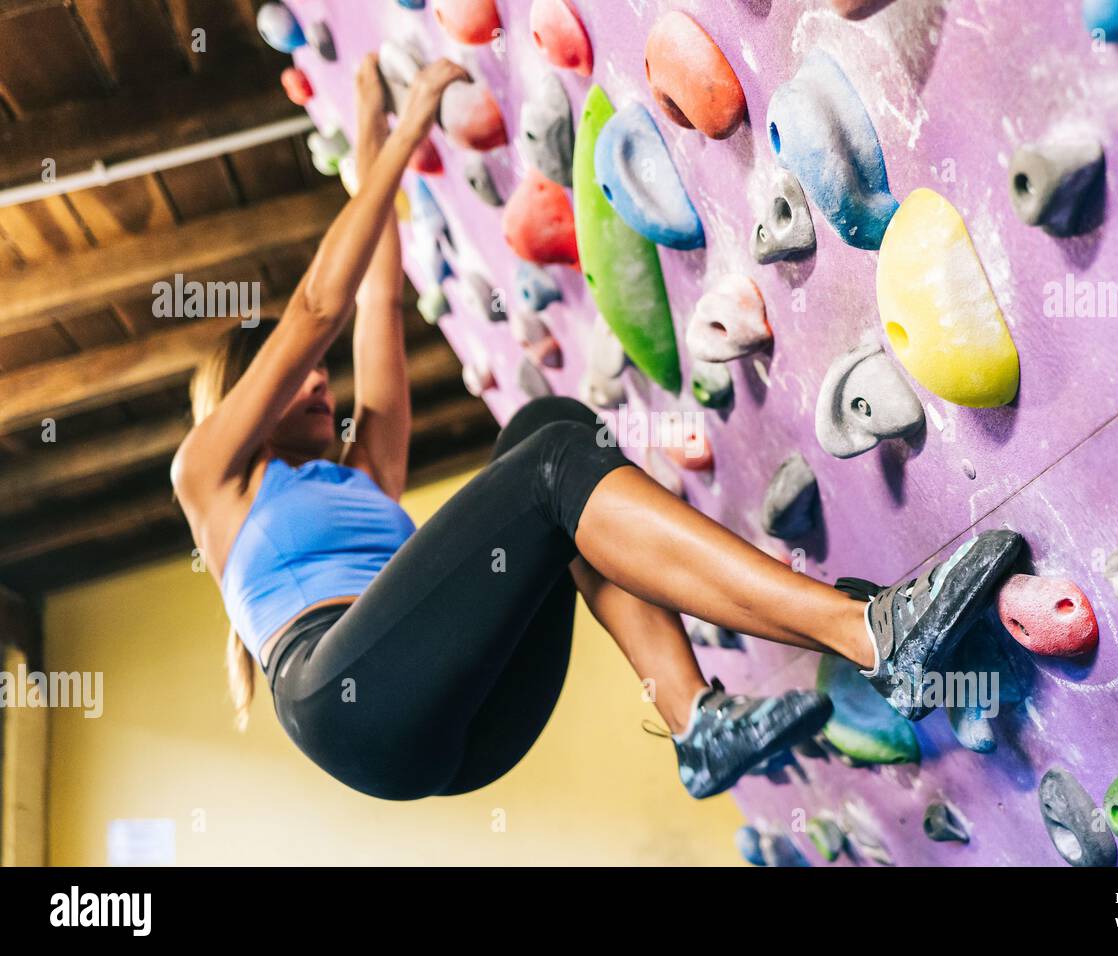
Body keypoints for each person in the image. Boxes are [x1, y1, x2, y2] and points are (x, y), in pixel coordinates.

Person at [172, 54, 1023, 802]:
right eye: (291, 376)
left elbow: (373, 301)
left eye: (320, 376)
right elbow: (319, 308)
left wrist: (367, 126)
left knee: (553, 425)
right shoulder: (209, 479)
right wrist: (410, 128)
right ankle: (870, 634)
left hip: (468, 721)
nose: (320, 380)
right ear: (236, 395)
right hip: (348, 704)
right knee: (548, 465)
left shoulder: (364, 470)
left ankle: (697, 724)